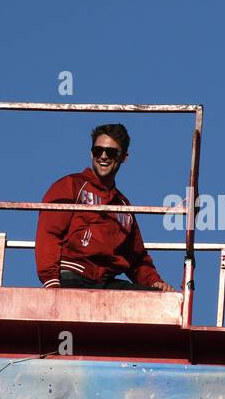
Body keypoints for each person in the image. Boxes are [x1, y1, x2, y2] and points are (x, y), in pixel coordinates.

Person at [35, 124, 174, 290]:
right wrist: (51, 281)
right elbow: (49, 233)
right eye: (97, 150)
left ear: (124, 157)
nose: (103, 156)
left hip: (106, 282)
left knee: (158, 301)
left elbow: (136, 257)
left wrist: (154, 282)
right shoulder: (71, 185)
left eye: (111, 152)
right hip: (72, 277)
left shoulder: (123, 206)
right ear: (90, 153)